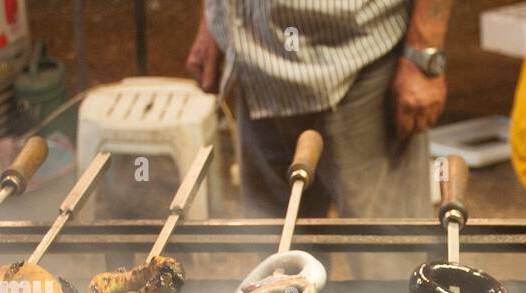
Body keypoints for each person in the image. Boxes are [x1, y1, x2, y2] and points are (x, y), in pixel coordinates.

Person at [186, 0, 452, 219]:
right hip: (254, 64)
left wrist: (424, 53)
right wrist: (212, 21)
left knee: (387, 261)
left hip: (359, 62)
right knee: (277, 262)